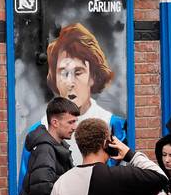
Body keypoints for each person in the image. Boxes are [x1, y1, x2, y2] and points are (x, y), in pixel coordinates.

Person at [43, 23, 128, 166]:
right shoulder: (41, 128)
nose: (70, 82)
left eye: (78, 72)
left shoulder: (114, 125)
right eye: (63, 73)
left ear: (93, 76)